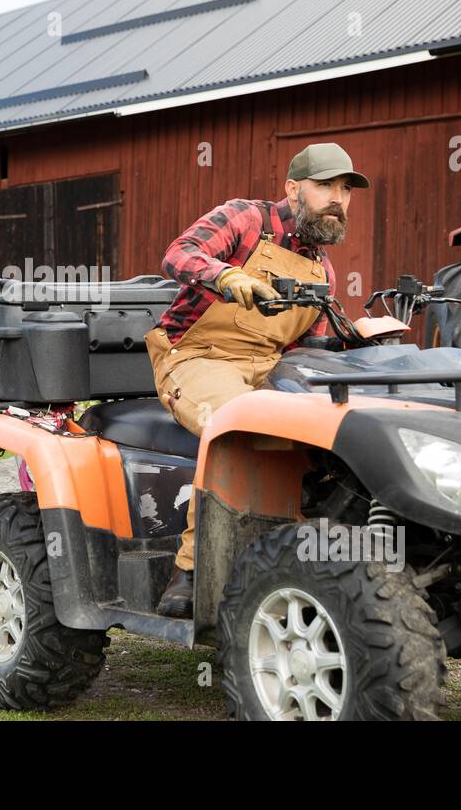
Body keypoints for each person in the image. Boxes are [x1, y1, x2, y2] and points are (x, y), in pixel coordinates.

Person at [144, 143, 369, 618]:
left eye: (346, 190)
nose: (338, 199)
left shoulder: (321, 271)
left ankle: (295, 560)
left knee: (326, 434)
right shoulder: (246, 219)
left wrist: (358, 346)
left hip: (266, 366)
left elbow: (309, 351)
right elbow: (177, 255)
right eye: (325, 185)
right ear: (292, 188)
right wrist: (224, 277)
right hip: (196, 356)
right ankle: (189, 574)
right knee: (236, 426)